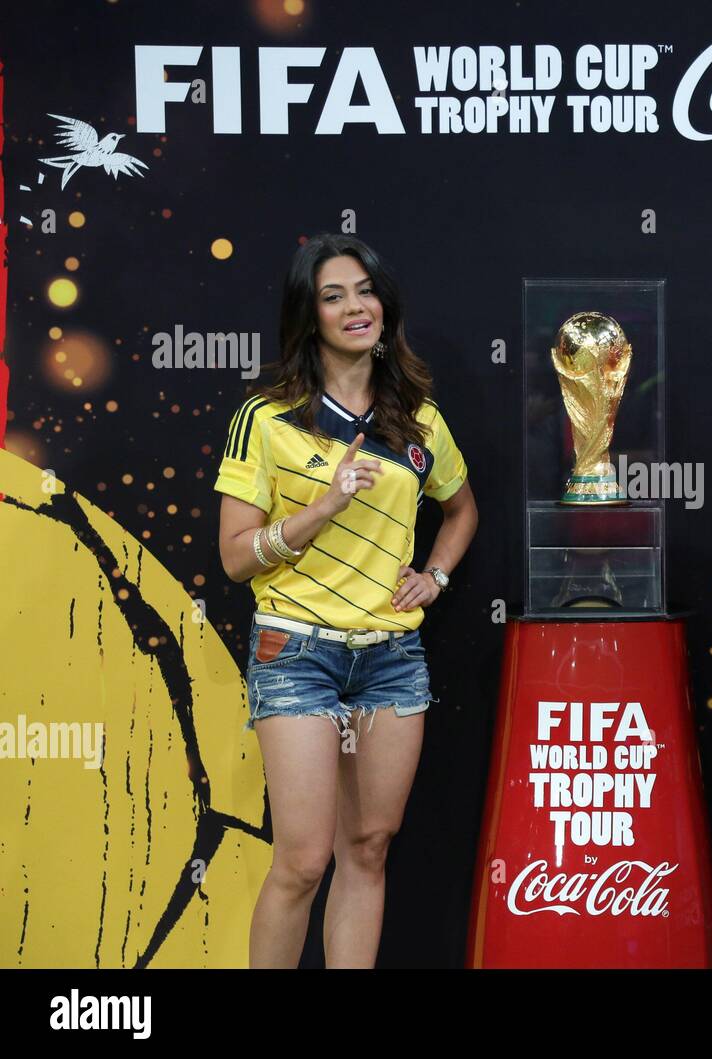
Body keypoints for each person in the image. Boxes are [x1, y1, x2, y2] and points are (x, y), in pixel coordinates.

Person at [215, 233, 478, 968]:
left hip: (392, 657)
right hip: (295, 651)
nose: (355, 307)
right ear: (310, 314)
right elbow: (236, 557)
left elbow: (462, 510)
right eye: (334, 296)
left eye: (365, 291)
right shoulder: (267, 416)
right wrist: (319, 509)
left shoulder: (419, 418)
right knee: (302, 858)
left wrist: (437, 576)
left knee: (366, 847)